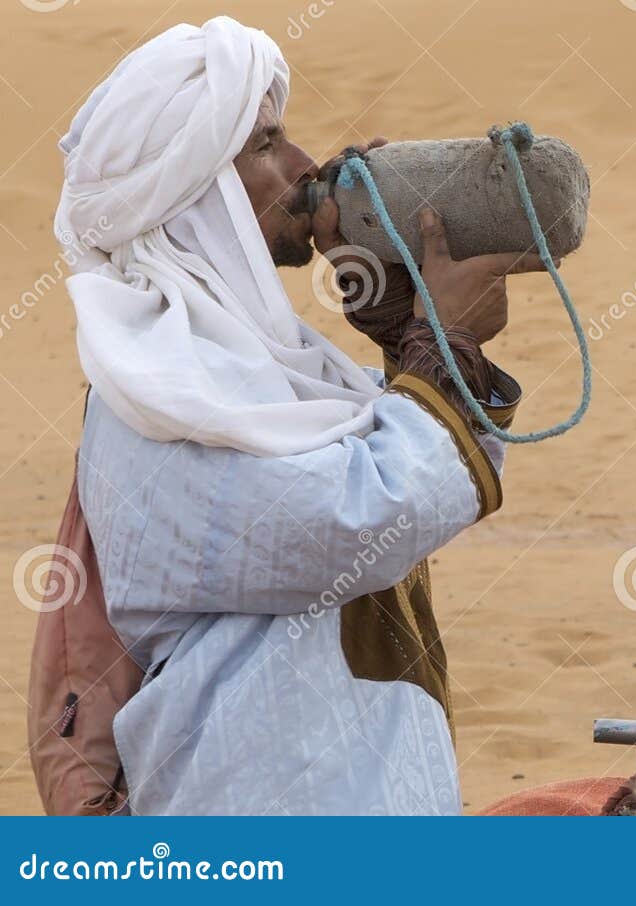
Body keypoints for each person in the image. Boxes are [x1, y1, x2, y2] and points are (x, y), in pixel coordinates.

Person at [55, 17, 540, 814]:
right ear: (195, 192)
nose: (305, 165)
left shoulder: (268, 376)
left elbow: (426, 464)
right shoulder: (154, 400)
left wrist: (404, 331)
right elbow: (364, 517)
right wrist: (438, 343)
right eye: (264, 144)